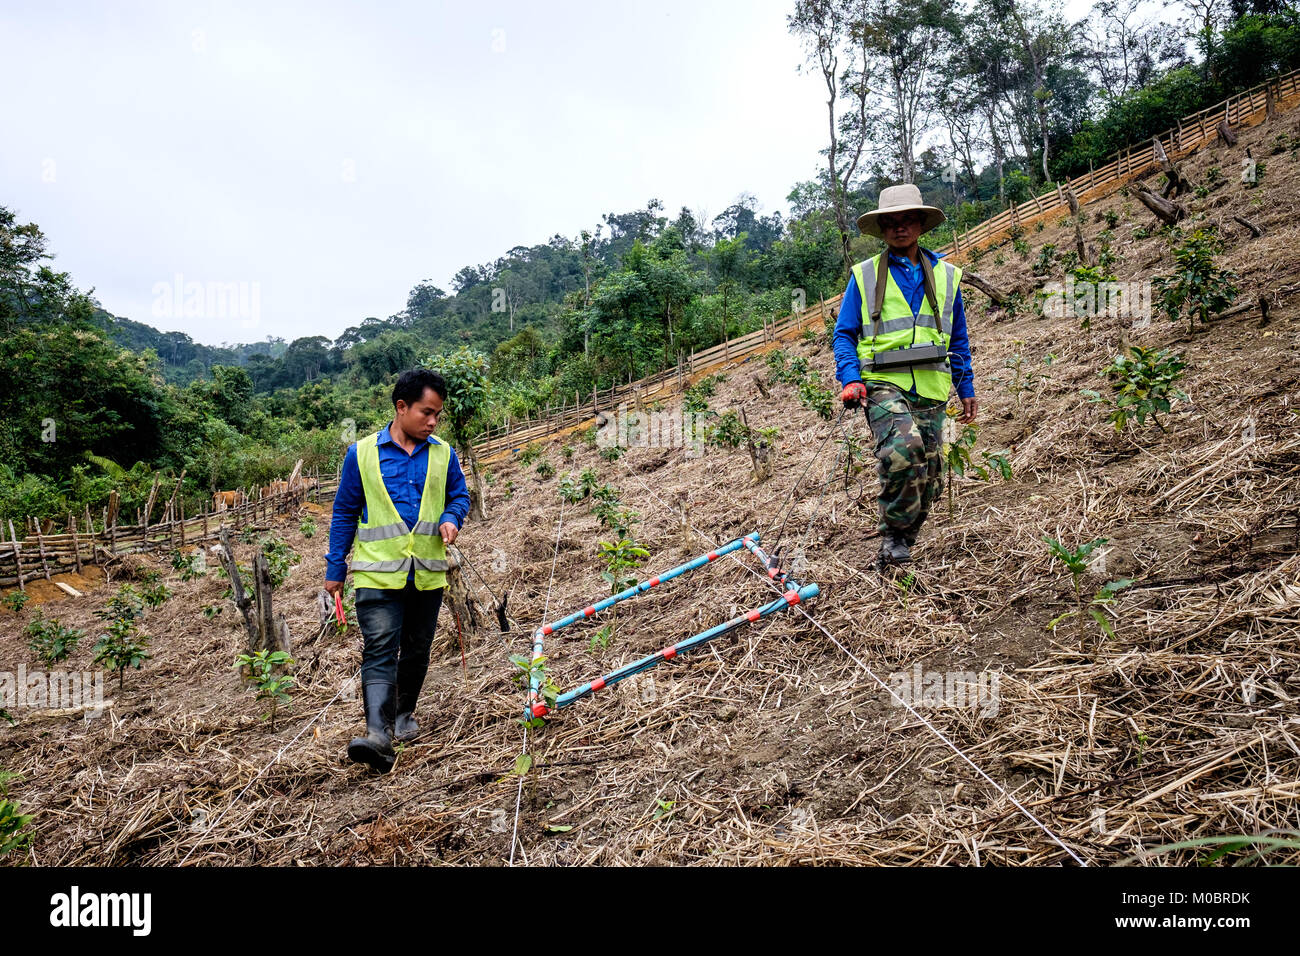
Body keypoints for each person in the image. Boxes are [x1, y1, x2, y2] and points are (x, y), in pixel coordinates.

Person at [325, 368, 471, 773]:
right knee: (380, 647)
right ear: (401, 407)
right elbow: (344, 512)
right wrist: (335, 567)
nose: (432, 421)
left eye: (437, 415)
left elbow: (460, 495)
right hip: (376, 574)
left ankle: (404, 715)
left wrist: (452, 517)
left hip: (426, 572)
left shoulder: (443, 453)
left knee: (418, 648)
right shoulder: (361, 454)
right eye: (427, 412)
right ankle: (377, 733)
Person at [832, 183, 978, 569]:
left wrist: (966, 385)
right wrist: (850, 378)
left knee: (930, 474)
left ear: (920, 225)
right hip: (881, 382)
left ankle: (901, 545)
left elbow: (957, 336)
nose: (900, 228)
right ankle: (894, 536)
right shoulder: (864, 276)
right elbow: (844, 333)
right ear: (882, 230)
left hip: (931, 383)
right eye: (891, 223)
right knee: (904, 450)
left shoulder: (947, 276)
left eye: (907, 220)